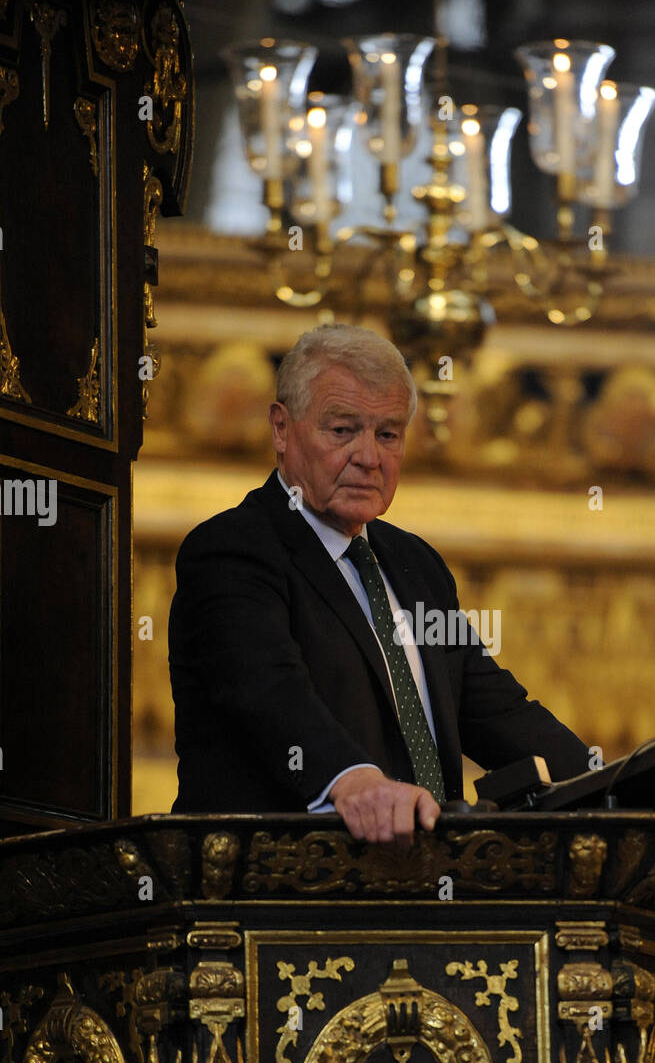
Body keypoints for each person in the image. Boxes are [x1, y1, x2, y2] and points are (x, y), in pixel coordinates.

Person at [168, 323, 591, 844]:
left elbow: (498, 710)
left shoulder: (417, 565)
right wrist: (354, 782)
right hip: (275, 889)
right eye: (342, 430)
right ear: (281, 428)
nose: (370, 458)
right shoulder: (232, 550)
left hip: (428, 886)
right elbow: (269, 694)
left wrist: (619, 785)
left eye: (388, 434)